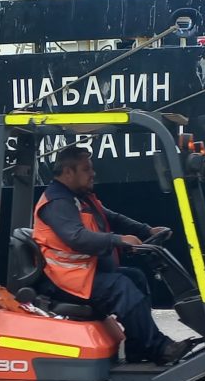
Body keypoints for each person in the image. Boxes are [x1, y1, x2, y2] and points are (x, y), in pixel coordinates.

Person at [34, 144, 190, 365]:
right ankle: (159, 347)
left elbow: (112, 217)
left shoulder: (79, 198)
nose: (93, 173)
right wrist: (118, 240)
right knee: (120, 287)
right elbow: (76, 237)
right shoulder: (57, 202)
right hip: (64, 280)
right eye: (86, 169)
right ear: (68, 172)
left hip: (82, 274)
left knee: (135, 277)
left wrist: (146, 231)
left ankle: (138, 347)